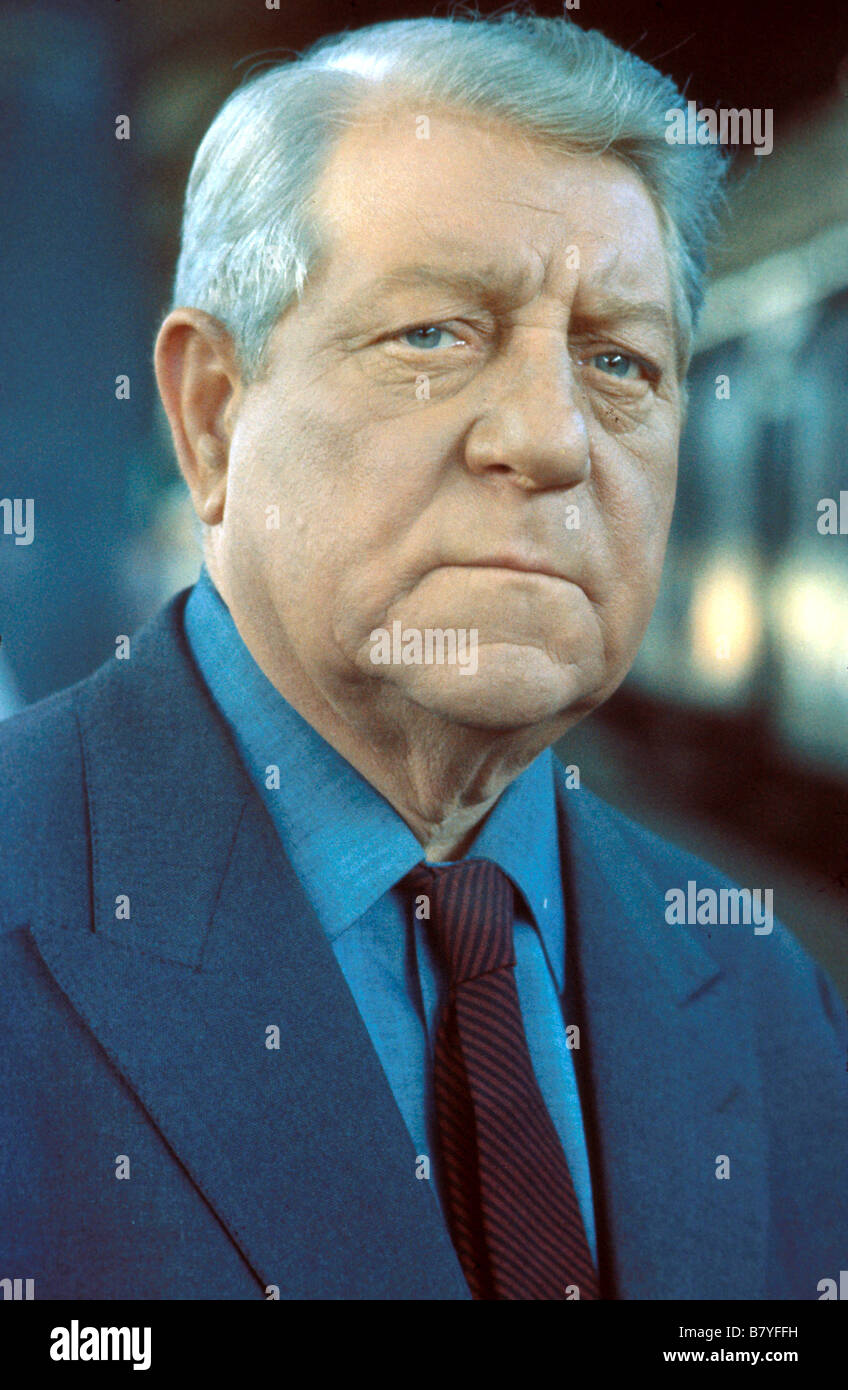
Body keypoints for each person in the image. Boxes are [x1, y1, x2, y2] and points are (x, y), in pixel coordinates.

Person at [1, 11, 845, 1301]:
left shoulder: (765, 990)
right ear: (215, 419)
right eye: (435, 337)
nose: (553, 438)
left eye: (618, 360)